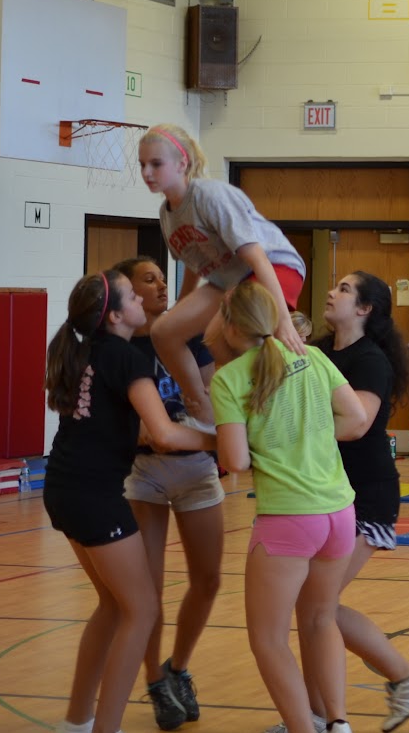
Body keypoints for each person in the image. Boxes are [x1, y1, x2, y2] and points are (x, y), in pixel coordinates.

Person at [43, 271, 213, 733]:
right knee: (141, 610)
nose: (143, 297)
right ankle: (105, 727)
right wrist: (226, 442)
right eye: (133, 294)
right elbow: (163, 433)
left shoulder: (87, 350)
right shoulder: (123, 356)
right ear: (116, 315)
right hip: (94, 496)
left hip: (62, 489)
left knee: (113, 606)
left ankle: (77, 721)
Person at [210, 281, 368, 733]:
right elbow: (356, 419)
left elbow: (235, 460)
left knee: (268, 638)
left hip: (288, 518)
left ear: (230, 324)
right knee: (320, 619)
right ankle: (337, 723)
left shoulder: (231, 378)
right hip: (339, 511)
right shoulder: (314, 358)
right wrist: (309, 435)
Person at [301, 271, 409, 732]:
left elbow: (357, 425)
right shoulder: (317, 351)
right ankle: (316, 715)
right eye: (333, 284)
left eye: (343, 289)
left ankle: (404, 676)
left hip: (366, 497)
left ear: (364, 309)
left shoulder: (369, 360)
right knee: (311, 608)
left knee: (316, 608)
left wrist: (292, 438)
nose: (331, 292)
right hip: (321, 492)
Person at [110, 257, 224, 731]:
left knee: (209, 579)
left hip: (197, 469)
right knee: (148, 592)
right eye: (148, 280)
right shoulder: (123, 349)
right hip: (147, 474)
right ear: (128, 292)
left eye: (163, 278)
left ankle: (179, 668)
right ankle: (154, 679)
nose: (159, 286)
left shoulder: (187, 340)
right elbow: (143, 435)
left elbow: (213, 405)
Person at [138, 123, 307, 425]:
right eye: (142, 165)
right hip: (227, 279)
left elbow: (257, 257)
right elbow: (193, 262)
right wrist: (181, 309)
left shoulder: (210, 196)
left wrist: (283, 321)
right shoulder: (167, 215)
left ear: (182, 164)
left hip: (275, 267)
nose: (147, 172)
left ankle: (257, 412)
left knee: (219, 336)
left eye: (156, 164)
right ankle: (202, 408)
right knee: (163, 331)